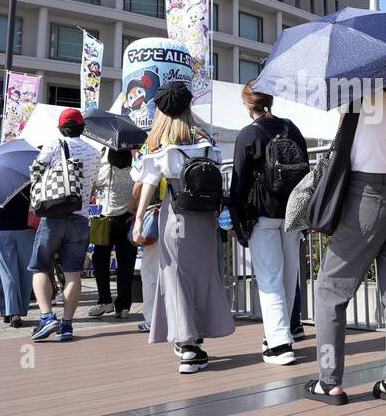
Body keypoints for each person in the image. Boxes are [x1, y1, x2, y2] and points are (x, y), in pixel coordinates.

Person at [304, 79, 386, 407]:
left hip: (363, 200)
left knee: (331, 292)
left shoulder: (358, 97)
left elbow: (342, 142)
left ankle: (329, 382)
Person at [133, 82, 235, 372]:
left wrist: (139, 220)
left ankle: (188, 346)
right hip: (205, 217)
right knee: (203, 274)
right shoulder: (204, 138)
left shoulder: (159, 143)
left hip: (176, 215)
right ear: (189, 106)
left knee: (175, 276)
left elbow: (150, 181)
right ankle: (195, 335)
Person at [228, 81, 309, 365]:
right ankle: (281, 334)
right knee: (289, 278)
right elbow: (306, 174)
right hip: (293, 215)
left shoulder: (248, 135)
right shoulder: (292, 129)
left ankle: (278, 345)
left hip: (262, 216)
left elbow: (238, 184)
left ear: (249, 105)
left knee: (270, 279)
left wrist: (238, 225)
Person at [28, 108, 100, 342]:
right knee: (73, 274)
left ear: (61, 127)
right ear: (82, 128)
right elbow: (92, 183)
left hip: (53, 216)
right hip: (80, 218)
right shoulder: (94, 152)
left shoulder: (53, 144)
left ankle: (47, 316)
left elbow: (35, 172)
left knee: (40, 267)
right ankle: (67, 325)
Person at [89, 146, 138, 319]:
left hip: (106, 221)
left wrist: (102, 157)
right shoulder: (134, 171)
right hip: (127, 220)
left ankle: (105, 300)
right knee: (126, 264)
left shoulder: (105, 170)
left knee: (99, 259)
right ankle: (123, 306)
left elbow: (92, 185)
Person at [0, 185, 35, 328]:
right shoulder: (29, 178)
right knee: (26, 271)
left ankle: (12, 311)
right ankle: (21, 309)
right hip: (26, 228)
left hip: (2, 228)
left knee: (7, 273)